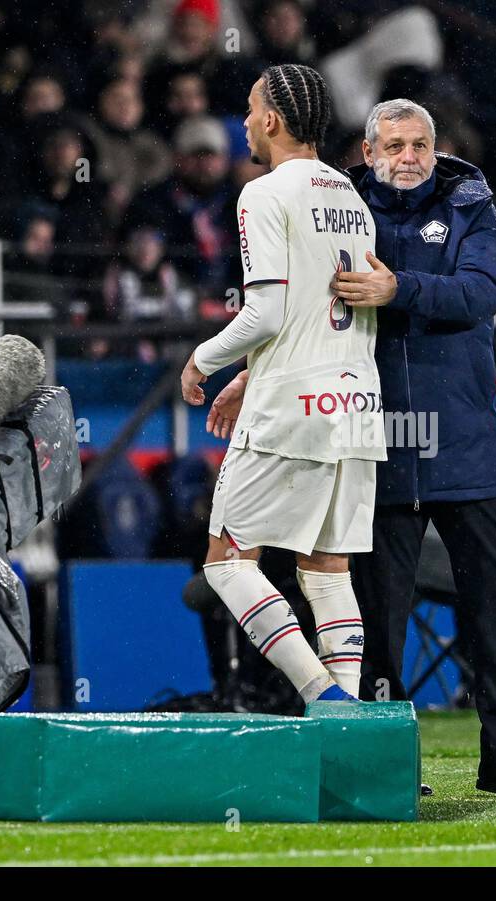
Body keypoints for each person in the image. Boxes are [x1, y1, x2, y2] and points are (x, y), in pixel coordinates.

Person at [210, 99, 496, 797]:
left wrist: (397, 288)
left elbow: (486, 290)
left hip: (465, 443)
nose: (407, 158)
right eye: (393, 146)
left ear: (434, 149)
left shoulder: (472, 203)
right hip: (371, 441)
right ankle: (387, 762)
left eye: (418, 145)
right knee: (378, 620)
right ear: (369, 151)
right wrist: (249, 375)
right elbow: (300, 312)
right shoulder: (342, 205)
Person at [180, 64, 383, 708]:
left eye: (248, 110)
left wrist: (203, 360)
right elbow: (318, 315)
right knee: (327, 568)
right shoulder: (354, 198)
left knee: (227, 562)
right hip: (355, 401)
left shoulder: (262, 193)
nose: (242, 123)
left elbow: (267, 310)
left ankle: (322, 694)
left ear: (271, 120)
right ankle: (349, 724)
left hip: (294, 407)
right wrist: (249, 372)